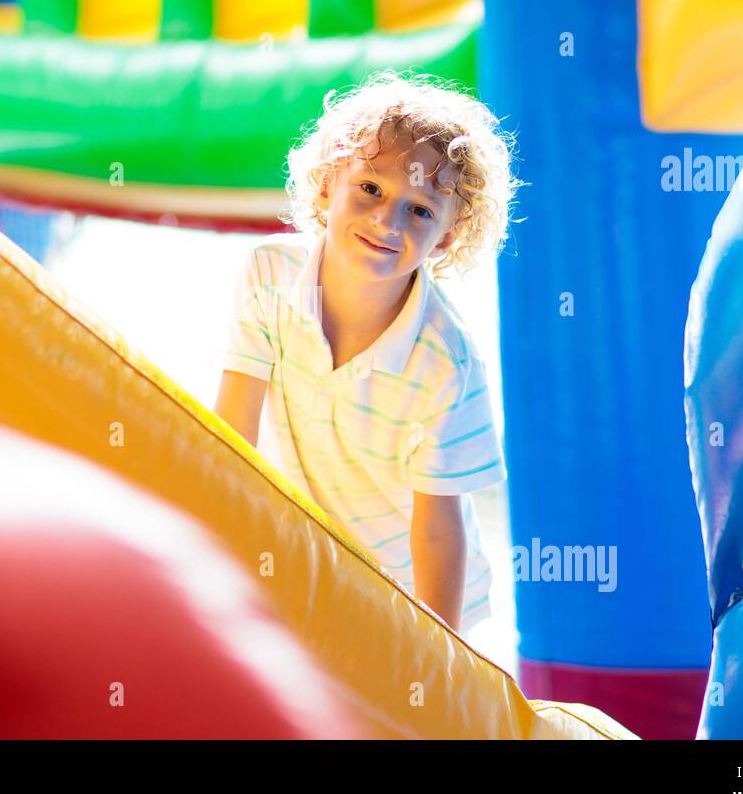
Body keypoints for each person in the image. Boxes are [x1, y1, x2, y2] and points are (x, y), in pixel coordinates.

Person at [214, 70, 517, 634]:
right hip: (310, 561)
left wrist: (438, 646)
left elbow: (437, 527)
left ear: (447, 237)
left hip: (411, 589)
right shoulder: (270, 273)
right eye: (371, 189)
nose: (387, 220)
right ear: (328, 183)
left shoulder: (443, 362)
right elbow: (233, 429)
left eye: (421, 210)